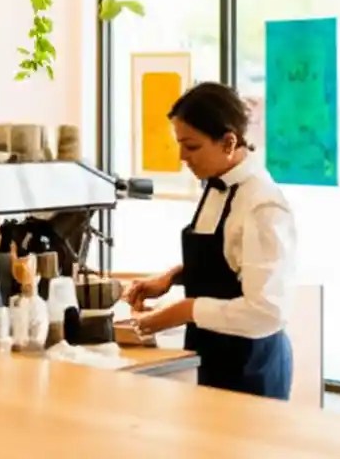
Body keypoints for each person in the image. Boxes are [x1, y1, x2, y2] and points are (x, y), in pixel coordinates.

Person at [124, 82, 297, 400]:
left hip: (252, 365)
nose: (182, 157)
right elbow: (228, 263)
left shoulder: (262, 205)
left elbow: (266, 311)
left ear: (229, 142)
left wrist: (184, 310)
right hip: (210, 355)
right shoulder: (216, 185)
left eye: (191, 147)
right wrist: (172, 278)